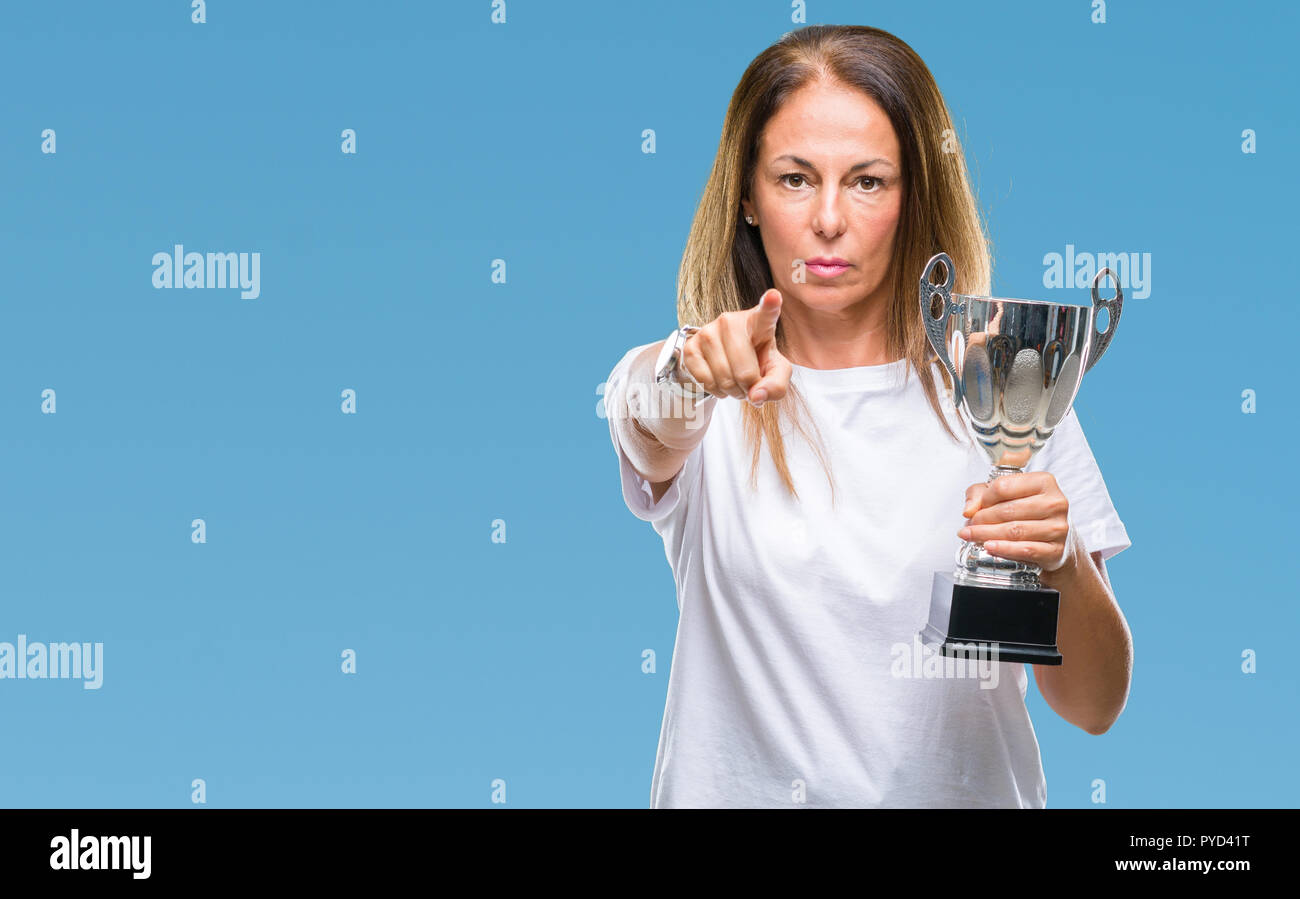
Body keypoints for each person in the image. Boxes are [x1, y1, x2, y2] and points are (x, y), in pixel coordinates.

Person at [602, 24, 1133, 809]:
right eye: (793, 178)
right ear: (746, 194)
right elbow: (649, 418)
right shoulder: (706, 384)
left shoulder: (1000, 379)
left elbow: (1093, 707)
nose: (826, 218)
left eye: (867, 181)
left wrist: (1061, 561)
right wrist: (688, 366)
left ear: (913, 193)